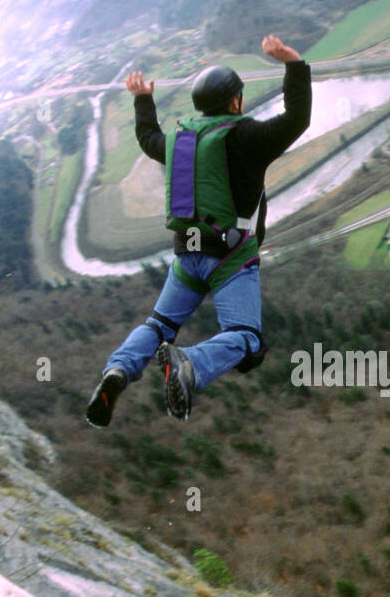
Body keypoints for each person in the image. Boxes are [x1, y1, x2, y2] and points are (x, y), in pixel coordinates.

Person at [86, 34, 311, 426]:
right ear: (236, 101)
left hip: (186, 257)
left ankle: (118, 371)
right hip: (232, 257)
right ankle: (190, 364)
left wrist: (143, 99)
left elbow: (147, 138)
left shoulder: (177, 142)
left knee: (160, 325)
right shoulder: (247, 137)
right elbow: (297, 119)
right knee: (247, 339)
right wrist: (293, 63)